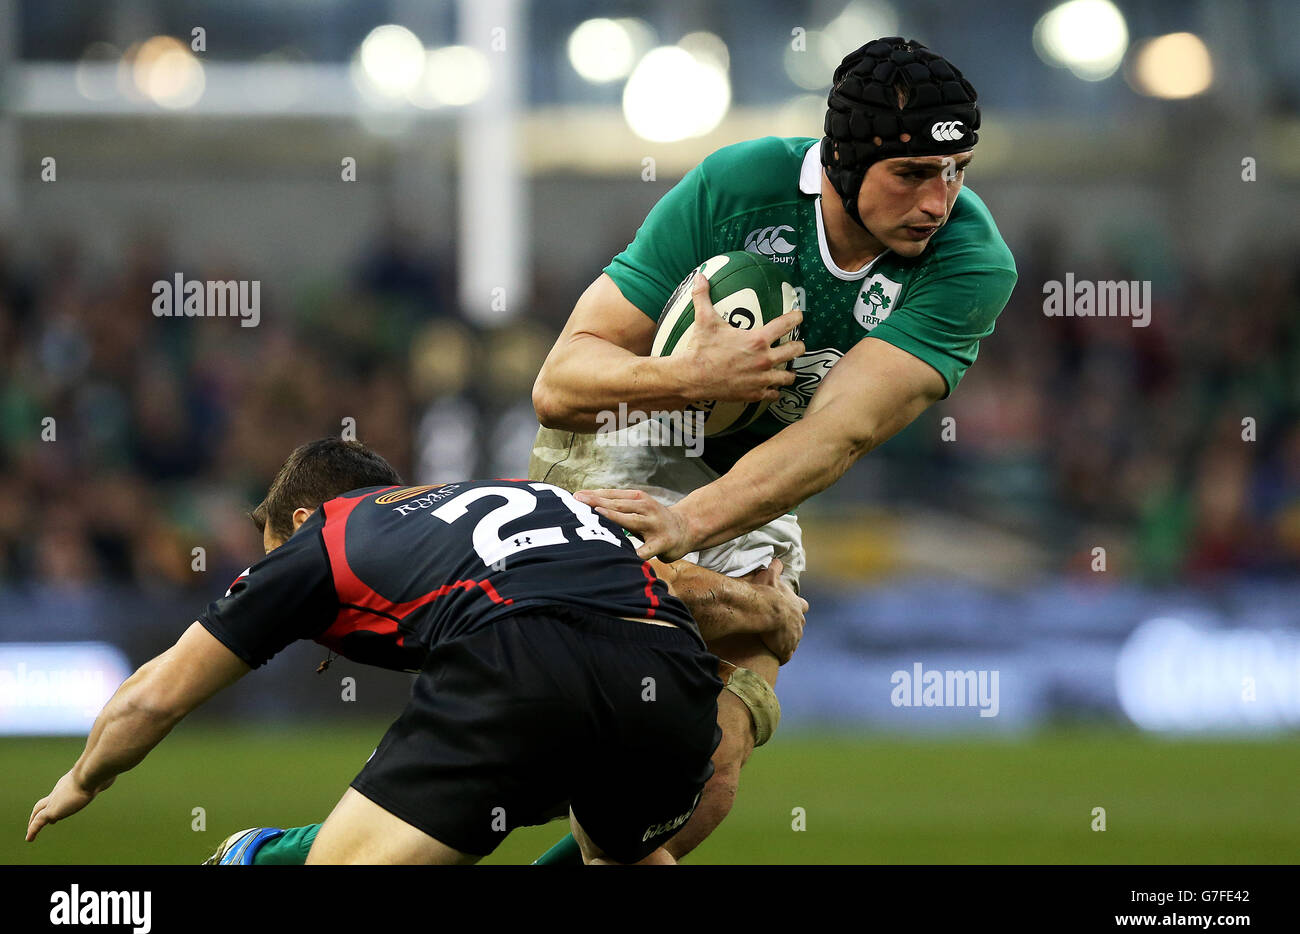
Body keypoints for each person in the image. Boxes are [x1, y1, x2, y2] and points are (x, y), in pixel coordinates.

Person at [526, 36, 1018, 862]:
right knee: (550, 759)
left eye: (958, 169)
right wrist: (686, 377)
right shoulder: (737, 186)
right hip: (627, 445)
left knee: (700, 784)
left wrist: (688, 525)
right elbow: (563, 384)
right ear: (841, 161)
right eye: (913, 175)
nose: (940, 201)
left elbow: (837, 435)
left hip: (754, 480)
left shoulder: (971, 263)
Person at [26, 439, 801, 864]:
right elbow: (671, 584)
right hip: (670, 684)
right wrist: (768, 609)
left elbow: (159, 691)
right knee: (622, 857)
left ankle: (257, 859)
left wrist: (83, 779)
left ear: (299, 516)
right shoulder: (526, 499)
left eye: (270, 549)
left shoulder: (322, 539)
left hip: (517, 666)